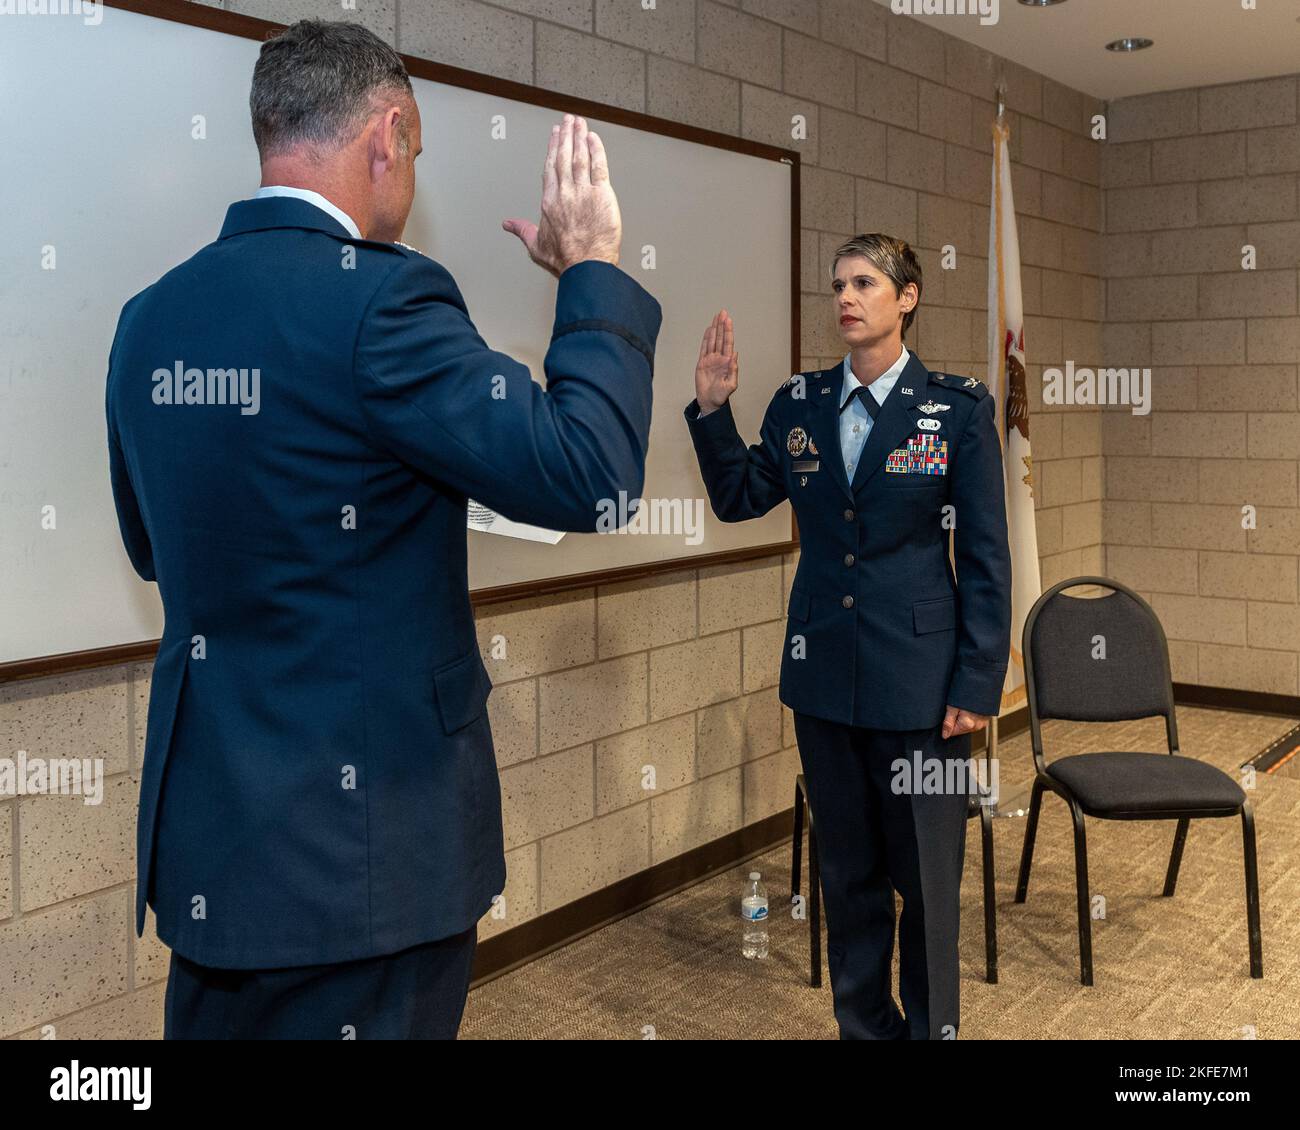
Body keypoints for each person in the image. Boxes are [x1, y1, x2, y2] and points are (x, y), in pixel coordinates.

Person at [105, 19, 661, 1039]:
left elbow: (154, 546)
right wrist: (589, 272)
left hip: (216, 859)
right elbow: (592, 475)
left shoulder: (149, 318)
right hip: (363, 863)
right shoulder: (385, 299)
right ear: (389, 133)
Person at [684, 233, 1010, 1039]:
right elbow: (739, 497)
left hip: (923, 693)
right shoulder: (798, 404)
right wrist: (713, 411)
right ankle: (866, 1030)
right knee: (849, 879)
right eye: (837, 284)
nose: (845, 297)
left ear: (908, 298)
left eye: (865, 282)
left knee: (928, 883)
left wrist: (976, 686)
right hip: (825, 684)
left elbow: (985, 557)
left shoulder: (958, 409)